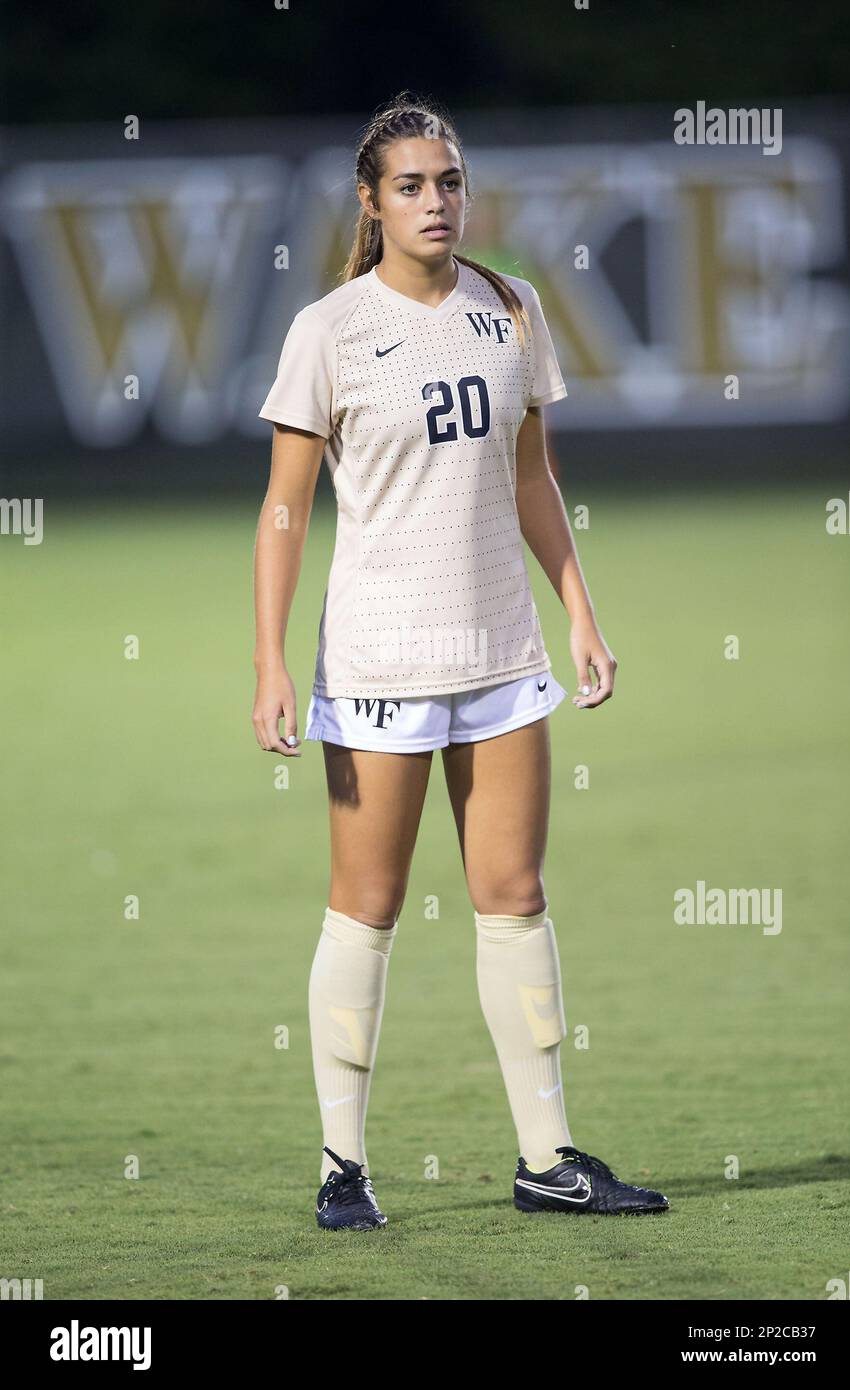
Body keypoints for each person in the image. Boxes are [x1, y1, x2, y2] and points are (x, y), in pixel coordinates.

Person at [253, 91, 669, 1230]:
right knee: (366, 909)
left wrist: (578, 610)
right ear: (369, 203)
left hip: (499, 654)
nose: (434, 202)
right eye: (409, 185)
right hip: (380, 662)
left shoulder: (510, 304)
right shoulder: (328, 330)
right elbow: (283, 512)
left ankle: (547, 1159)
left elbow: (530, 478)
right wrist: (272, 664)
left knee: (515, 898)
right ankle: (344, 1165)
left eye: (448, 182)